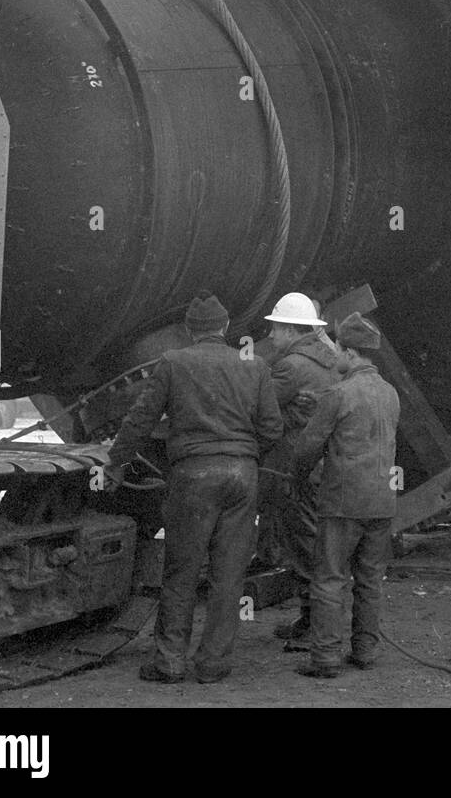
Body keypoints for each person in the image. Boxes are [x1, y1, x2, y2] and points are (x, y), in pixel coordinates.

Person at [108, 291, 282, 684]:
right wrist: (244, 456)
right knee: (229, 574)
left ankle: (169, 661)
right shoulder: (255, 366)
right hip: (241, 477)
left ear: (189, 330)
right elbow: (272, 428)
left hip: (192, 477)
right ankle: (214, 664)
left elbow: (140, 419)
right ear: (225, 328)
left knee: (181, 572)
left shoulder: (174, 362)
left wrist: (117, 460)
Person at [291, 311, 400, 679]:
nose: (334, 354)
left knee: (330, 579)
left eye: (337, 348)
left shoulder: (339, 393)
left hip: (342, 503)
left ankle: (324, 658)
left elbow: (308, 447)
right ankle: (366, 651)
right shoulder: (390, 393)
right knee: (369, 580)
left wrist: (295, 478)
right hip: (382, 503)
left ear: (350, 352)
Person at [261, 291, 342, 651]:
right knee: (311, 539)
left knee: (303, 541)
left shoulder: (291, 366)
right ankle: (310, 618)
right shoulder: (329, 358)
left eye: (275, 328)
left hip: (296, 468)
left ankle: (316, 627)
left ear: (292, 330)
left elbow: (259, 411)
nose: (271, 336)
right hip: (321, 465)